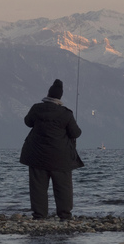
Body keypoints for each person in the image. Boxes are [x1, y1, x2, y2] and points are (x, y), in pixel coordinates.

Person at [19, 79, 84, 220]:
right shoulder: (66, 114)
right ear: (60, 97)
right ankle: (65, 215)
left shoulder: (36, 108)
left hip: (36, 155)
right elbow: (76, 133)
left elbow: (27, 122)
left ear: (48, 94)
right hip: (61, 158)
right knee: (63, 188)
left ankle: (39, 215)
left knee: (38, 188)